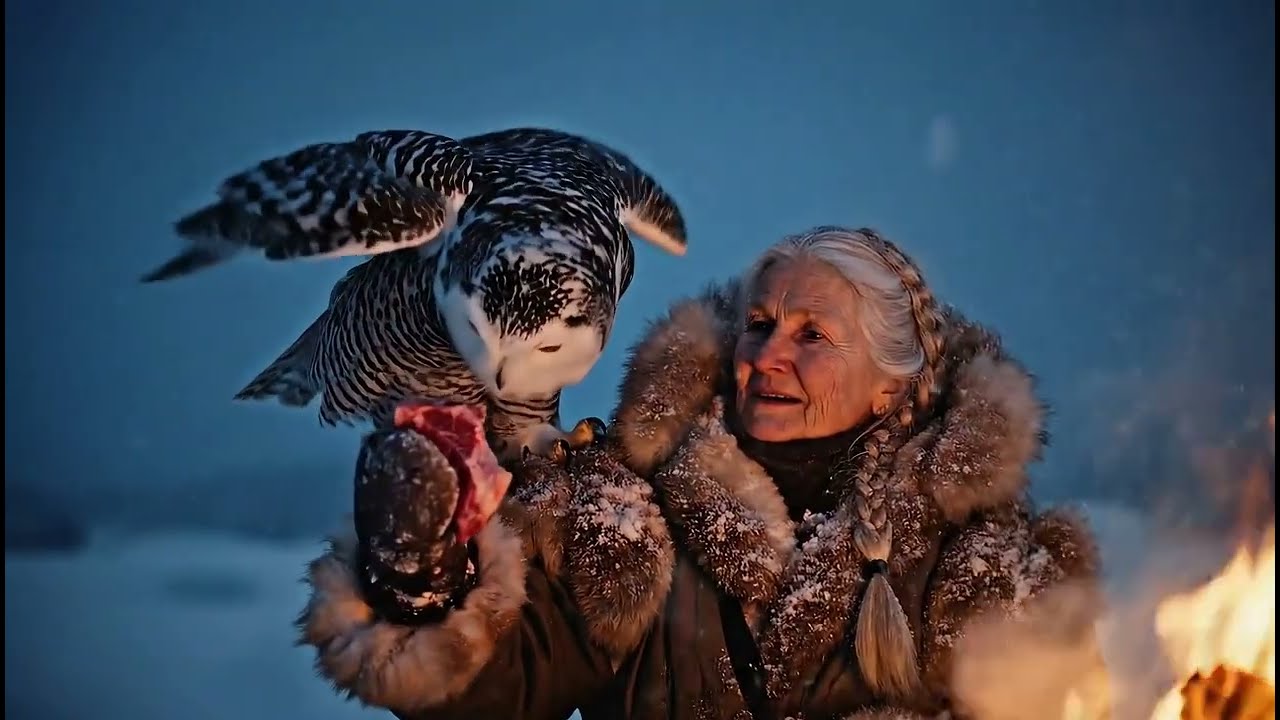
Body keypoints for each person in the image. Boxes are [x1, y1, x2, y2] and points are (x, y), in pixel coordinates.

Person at [296, 226, 1110, 720]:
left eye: (811, 335)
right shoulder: (620, 516)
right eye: (760, 325)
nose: (767, 356)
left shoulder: (985, 564)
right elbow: (495, 696)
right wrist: (421, 576)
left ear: (892, 381)